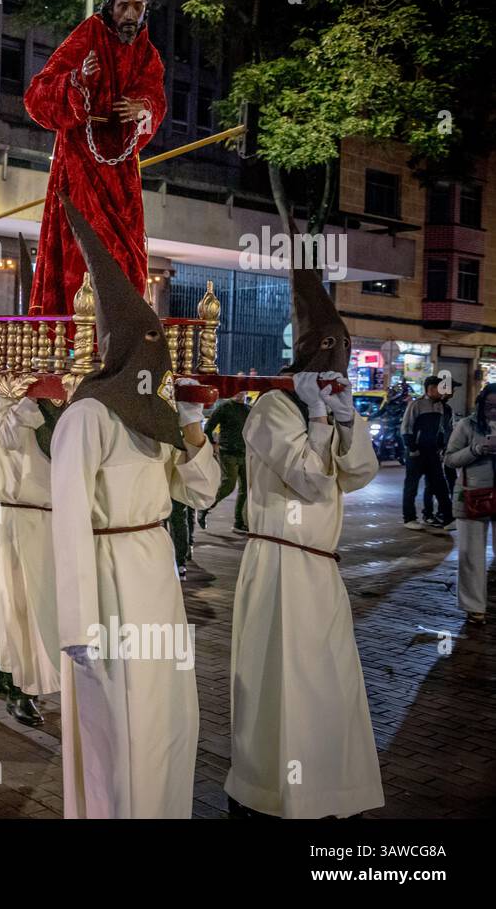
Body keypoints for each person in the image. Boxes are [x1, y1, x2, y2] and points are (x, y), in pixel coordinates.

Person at [51, 200, 219, 819]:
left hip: (156, 573)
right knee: (117, 725)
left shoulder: (155, 419)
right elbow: (67, 523)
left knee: (165, 713)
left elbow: (200, 493)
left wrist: (194, 430)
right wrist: (77, 626)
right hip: (110, 579)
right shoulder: (87, 416)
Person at [225, 260, 383, 820]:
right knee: (278, 681)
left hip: (318, 570)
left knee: (324, 681)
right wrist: (316, 417)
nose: (334, 373)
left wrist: (345, 419)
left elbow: (360, 473)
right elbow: (312, 481)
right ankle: (266, 790)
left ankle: (322, 790)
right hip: (279, 566)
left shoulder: (325, 408)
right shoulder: (271, 407)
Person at [24, 0, 165, 314]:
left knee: (126, 252)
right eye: (122, 6)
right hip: (79, 161)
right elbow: (36, 95)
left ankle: (122, 324)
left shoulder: (149, 56)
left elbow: (156, 101)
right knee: (83, 244)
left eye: (137, 6)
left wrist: (142, 109)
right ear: (109, 6)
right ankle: (79, 325)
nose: (130, 14)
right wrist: (76, 81)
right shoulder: (87, 35)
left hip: (122, 172)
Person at [0, 392, 61, 727]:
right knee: (18, 605)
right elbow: (7, 436)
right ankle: (20, 690)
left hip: (46, 515)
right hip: (12, 514)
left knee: (28, 603)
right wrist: (30, 393)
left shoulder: (56, 401)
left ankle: (0, 671)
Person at [444, 382, 496, 624]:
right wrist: (477, 449)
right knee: (472, 556)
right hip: (473, 495)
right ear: (481, 404)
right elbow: (450, 459)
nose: (493, 411)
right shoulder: (467, 425)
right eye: (489, 406)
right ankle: (475, 607)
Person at [401, 375, 455, 533]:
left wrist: (440, 446)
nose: (442, 392)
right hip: (416, 452)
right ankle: (409, 518)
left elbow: (440, 430)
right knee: (411, 486)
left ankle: (448, 518)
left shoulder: (440, 406)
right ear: (430, 389)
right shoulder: (415, 404)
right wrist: (412, 448)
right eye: (440, 389)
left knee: (440, 485)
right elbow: (406, 427)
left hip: (432, 452)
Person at [198, 389, 251, 534]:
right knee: (229, 485)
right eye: (238, 390)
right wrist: (214, 444)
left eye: (243, 390)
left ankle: (238, 523)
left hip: (245, 453)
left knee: (245, 488)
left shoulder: (249, 409)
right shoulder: (225, 408)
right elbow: (209, 427)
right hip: (228, 452)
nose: (240, 393)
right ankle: (205, 508)